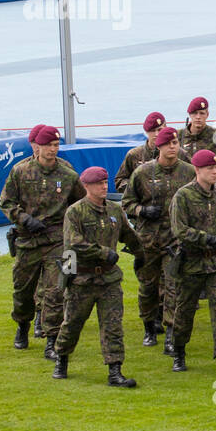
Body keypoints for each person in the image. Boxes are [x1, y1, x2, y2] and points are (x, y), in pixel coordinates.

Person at [0, 125, 85, 358]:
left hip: (56, 240)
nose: (52, 150)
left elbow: (80, 205)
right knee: (23, 290)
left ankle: (51, 339)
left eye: (56, 145)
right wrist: (23, 218)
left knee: (55, 291)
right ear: (38, 147)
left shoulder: (68, 175)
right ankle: (23, 325)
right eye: (48, 145)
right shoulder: (21, 171)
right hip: (28, 240)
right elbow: (6, 202)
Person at [52, 165, 144, 387]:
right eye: (98, 183)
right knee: (72, 323)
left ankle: (115, 371)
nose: (104, 186)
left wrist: (142, 254)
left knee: (113, 325)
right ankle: (61, 358)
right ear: (86, 186)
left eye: (105, 182)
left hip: (109, 279)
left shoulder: (114, 210)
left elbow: (128, 235)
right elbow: (73, 243)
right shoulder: (75, 212)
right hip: (82, 280)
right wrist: (104, 253)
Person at [168, 149, 216, 378]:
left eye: (215, 167)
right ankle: (179, 352)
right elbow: (179, 230)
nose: (214, 171)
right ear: (197, 170)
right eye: (210, 168)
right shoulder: (183, 196)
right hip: (192, 263)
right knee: (184, 311)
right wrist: (206, 238)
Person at [122, 126, 196, 353]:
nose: (173, 147)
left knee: (174, 287)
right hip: (149, 240)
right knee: (148, 287)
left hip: (175, 239)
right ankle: (148, 327)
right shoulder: (143, 173)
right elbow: (126, 203)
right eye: (168, 144)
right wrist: (142, 211)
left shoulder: (189, 171)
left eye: (175, 143)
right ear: (159, 147)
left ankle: (171, 333)